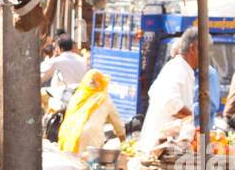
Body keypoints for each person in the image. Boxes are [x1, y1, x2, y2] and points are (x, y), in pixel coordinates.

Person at [136, 26, 199, 156]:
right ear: (193, 49)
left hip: (168, 150)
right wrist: (189, 118)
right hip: (160, 149)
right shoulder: (177, 69)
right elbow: (171, 102)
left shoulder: (183, 69)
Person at [57, 70, 126, 153]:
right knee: (89, 163)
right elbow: (118, 125)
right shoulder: (104, 99)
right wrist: (123, 143)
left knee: (73, 162)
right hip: (91, 136)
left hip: (69, 135)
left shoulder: (77, 96)